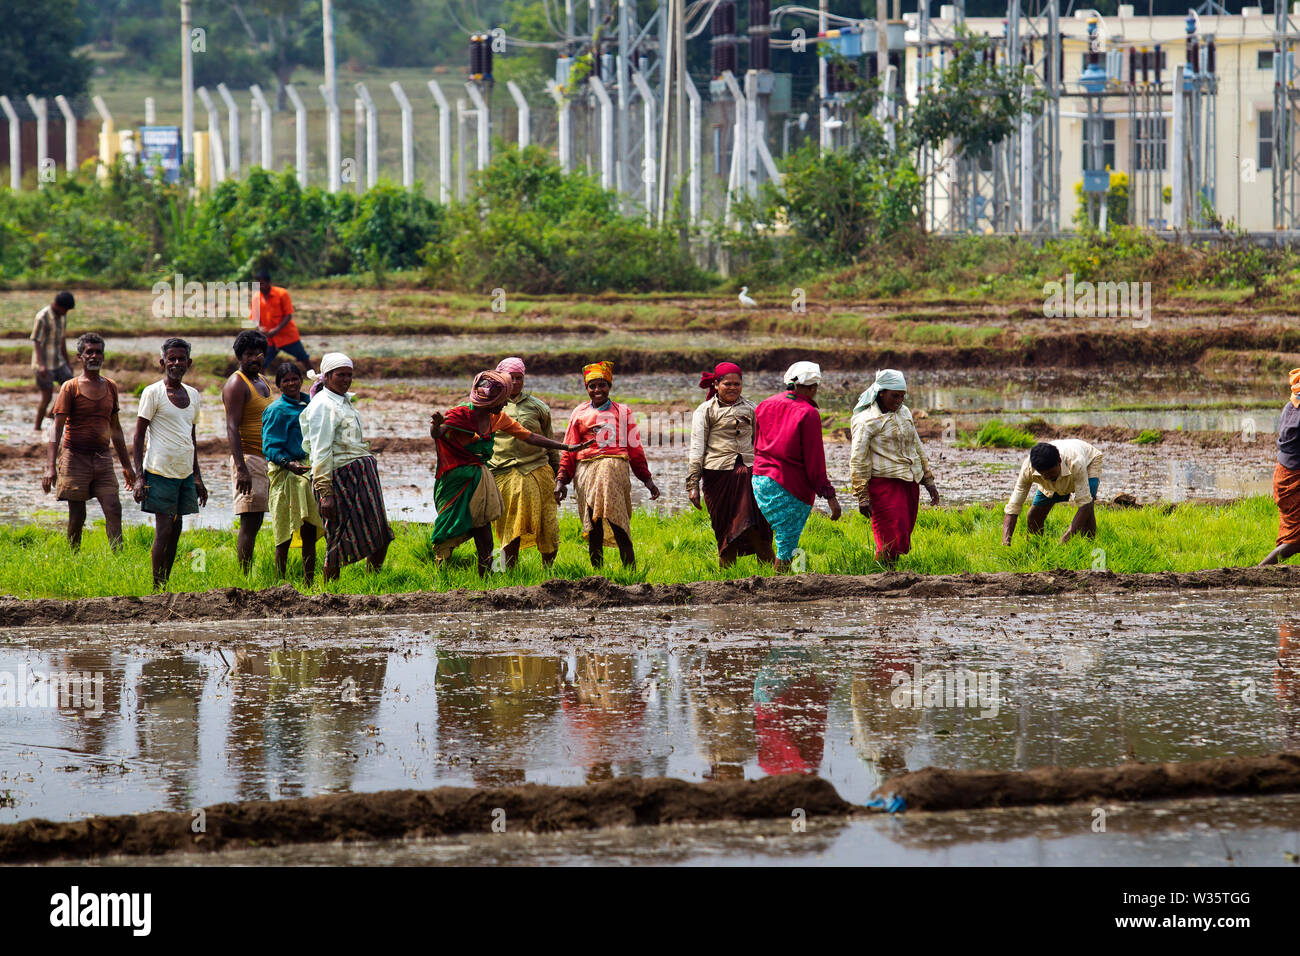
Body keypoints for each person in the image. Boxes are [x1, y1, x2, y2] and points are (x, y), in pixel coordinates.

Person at [430, 369, 590, 576]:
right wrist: (435, 425)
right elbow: (439, 434)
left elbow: (530, 437)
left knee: (484, 532)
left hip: (479, 478)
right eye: (502, 400)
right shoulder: (460, 414)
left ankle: (486, 579)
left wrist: (566, 447)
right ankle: (440, 574)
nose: (505, 404)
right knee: (449, 526)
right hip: (455, 481)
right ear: (491, 401)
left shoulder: (497, 418)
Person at [554, 361, 661, 570]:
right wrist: (561, 481)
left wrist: (647, 480)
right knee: (593, 523)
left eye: (602, 385)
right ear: (586, 388)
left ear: (609, 386)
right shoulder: (578, 413)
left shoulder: (623, 412)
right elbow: (569, 449)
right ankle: (598, 577)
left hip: (614, 469)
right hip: (586, 471)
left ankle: (630, 573)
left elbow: (635, 448)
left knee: (617, 520)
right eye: (592, 386)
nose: (597, 390)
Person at [298, 353, 392, 581]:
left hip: (361, 475)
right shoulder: (323, 405)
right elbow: (320, 450)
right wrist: (325, 493)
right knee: (337, 538)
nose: (346, 379)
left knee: (381, 533)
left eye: (349, 375)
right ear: (327, 377)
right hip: (340, 478)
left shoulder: (344, 401)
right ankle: (331, 592)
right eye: (341, 375)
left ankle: (373, 581)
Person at [42, 333, 137, 551]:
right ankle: (73, 557)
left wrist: (126, 465)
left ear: (103, 355)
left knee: (113, 507)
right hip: (75, 458)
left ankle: (118, 559)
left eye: (98, 352)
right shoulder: (70, 387)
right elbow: (56, 428)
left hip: (102, 458)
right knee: (77, 515)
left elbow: (116, 428)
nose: (94, 356)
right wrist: (50, 468)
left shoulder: (111, 386)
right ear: (80, 357)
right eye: (89, 352)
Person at [751, 361, 842, 572]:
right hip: (789, 484)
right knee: (786, 544)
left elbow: (756, 444)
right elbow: (815, 461)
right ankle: (781, 589)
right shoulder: (808, 413)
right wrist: (830, 497)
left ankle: (786, 580)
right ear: (812, 387)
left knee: (783, 538)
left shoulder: (764, 405)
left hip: (761, 481)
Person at [132, 338, 207, 590]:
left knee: (176, 530)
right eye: (171, 359)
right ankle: (156, 588)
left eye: (181, 359)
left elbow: (191, 437)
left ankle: (165, 583)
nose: (176, 363)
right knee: (163, 529)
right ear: (162, 362)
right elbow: (139, 435)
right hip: (158, 471)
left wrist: (198, 477)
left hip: (184, 472)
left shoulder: (194, 395)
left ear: (189, 362)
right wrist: (139, 478)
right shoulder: (153, 393)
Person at [686, 361, 774, 567]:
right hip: (718, 477)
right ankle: (727, 580)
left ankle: (773, 577)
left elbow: (761, 444)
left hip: (750, 477)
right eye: (727, 384)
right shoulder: (705, 411)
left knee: (758, 527)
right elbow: (697, 449)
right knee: (726, 529)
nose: (733, 388)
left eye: (737, 384)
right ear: (716, 384)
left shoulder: (752, 408)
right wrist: (693, 485)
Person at [849, 369, 939, 565]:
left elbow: (916, 446)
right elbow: (858, 459)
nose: (899, 401)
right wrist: (862, 496)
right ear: (881, 393)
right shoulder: (866, 420)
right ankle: (882, 577)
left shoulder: (904, 412)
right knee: (888, 538)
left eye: (902, 396)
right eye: (895, 396)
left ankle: (890, 574)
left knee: (901, 534)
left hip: (909, 481)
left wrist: (928, 481)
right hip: (884, 484)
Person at [489, 357, 563, 569]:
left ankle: (548, 571)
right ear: (500, 379)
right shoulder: (491, 407)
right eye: (510, 378)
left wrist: (560, 478)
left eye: (519, 378)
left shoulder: (538, 407)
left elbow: (550, 444)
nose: (515, 382)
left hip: (537, 472)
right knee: (508, 525)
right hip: (503, 473)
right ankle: (507, 571)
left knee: (547, 523)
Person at [262, 361, 324, 583]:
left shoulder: (312, 403)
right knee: (284, 530)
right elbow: (270, 447)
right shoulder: (276, 411)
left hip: (307, 470)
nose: (291, 383)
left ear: (301, 380)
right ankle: (280, 582)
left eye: (294, 378)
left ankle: (309, 581)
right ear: (279, 385)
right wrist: (289, 464)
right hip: (286, 472)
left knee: (308, 528)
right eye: (285, 380)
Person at [222, 330, 275, 573]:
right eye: (249, 354)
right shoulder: (237, 383)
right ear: (239, 356)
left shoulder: (261, 380)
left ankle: (256, 570)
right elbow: (231, 427)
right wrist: (241, 467)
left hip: (265, 458)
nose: (255, 358)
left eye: (259, 354)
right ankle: (244, 575)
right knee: (249, 521)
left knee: (258, 519)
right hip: (249, 458)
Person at [1002, 438, 1104, 545]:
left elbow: (1085, 505)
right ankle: (1035, 550)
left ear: (1059, 462)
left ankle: (1088, 547)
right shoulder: (1028, 468)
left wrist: (1065, 538)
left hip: (1089, 461)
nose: (1047, 477)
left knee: (1088, 506)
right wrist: (1006, 540)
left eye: (1051, 472)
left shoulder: (1075, 462)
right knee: (1034, 515)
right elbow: (1014, 506)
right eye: (1043, 474)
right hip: (1065, 466)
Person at [1260, 369, 1300, 566]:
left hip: (1284, 474)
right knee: (1295, 540)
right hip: (1293, 478)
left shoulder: (1289, 408)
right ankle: (1262, 570)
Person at [250, 271, 313, 373]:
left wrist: (276, 330)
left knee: (304, 359)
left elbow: (288, 315)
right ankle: (259, 386)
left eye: (261, 283)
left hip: (287, 336)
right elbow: (255, 317)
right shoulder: (256, 298)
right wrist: (260, 327)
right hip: (269, 339)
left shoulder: (282, 294)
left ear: (268, 282)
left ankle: (317, 382)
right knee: (261, 364)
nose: (259, 286)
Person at [32, 291, 76, 431]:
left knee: (70, 387)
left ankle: (51, 414)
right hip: (44, 363)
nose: (66, 312)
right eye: (65, 309)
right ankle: (37, 427)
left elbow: (62, 340)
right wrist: (41, 364)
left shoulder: (62, 317)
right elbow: (36, 341)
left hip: (58, 362)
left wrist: (68, 363)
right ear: (57, 305)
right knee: (47, 396)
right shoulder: (42, 317)